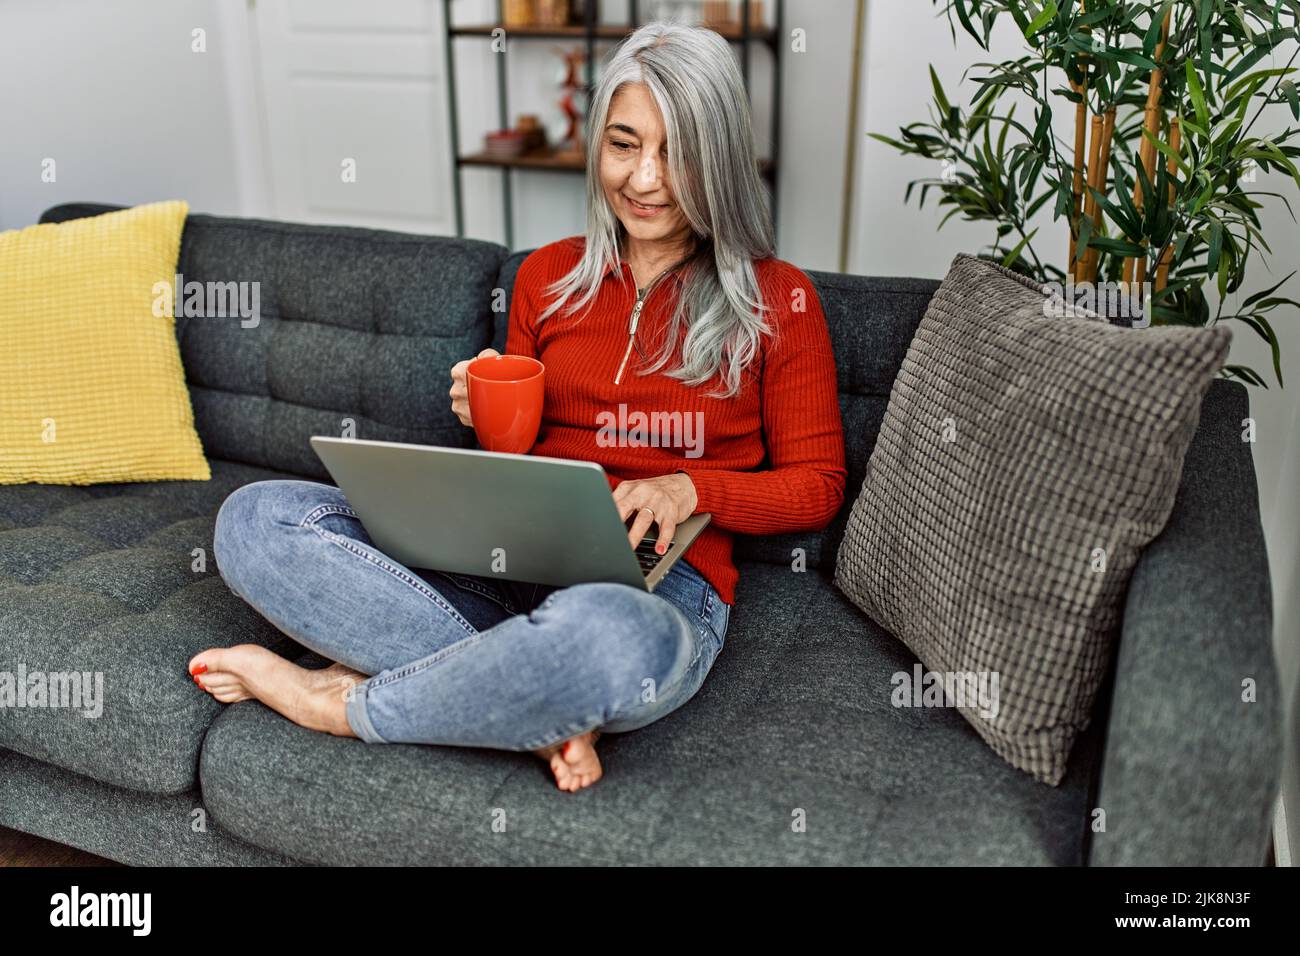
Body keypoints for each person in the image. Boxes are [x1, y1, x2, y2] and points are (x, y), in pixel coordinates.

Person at [189, 19, 846, 792]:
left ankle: (341, 701)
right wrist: (488, 411)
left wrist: (692, 487)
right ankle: (529, 702)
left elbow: (819, 486)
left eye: (678, 151)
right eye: (624, 144)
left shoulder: (779, 299)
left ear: (722, 156)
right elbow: (512, 464)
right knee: (255, 521)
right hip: (503, 564)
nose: (644, 179)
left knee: (606, 643)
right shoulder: (545, 276)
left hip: (656, 588)